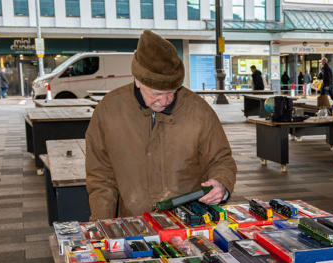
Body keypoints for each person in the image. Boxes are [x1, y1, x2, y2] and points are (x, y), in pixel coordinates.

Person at [85, 30, 236, 220]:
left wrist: (222, 183)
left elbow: (221, 159)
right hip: (133, 223)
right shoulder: (109, 110)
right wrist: (102, 226)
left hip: (188, 224)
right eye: (156, 93)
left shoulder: (198, 111)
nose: (164, 100)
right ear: (137, 80)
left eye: (172, 91)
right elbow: (100, 176)